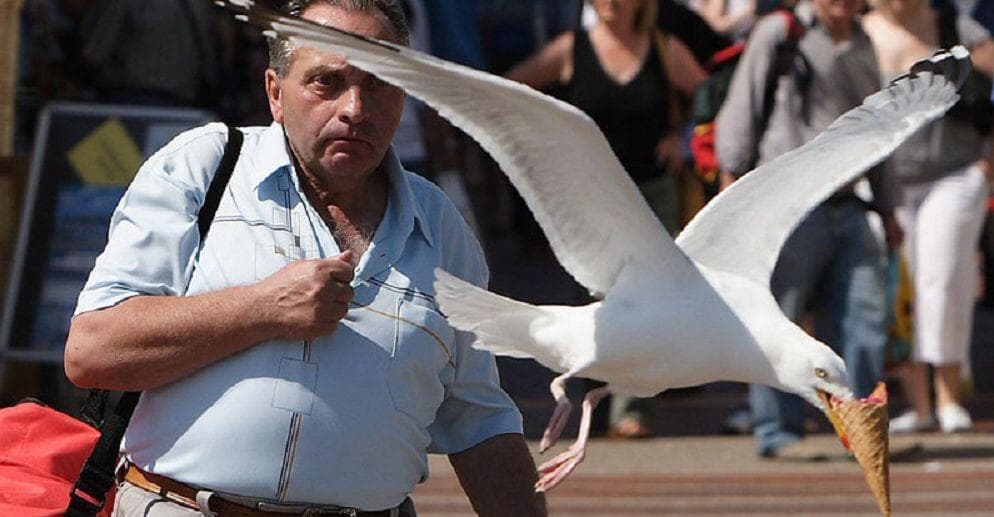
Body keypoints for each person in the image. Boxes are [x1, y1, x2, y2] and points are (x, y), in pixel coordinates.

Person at [63, 1, 547, 515]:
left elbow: (479, 419)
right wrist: (262, 309)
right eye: (326, 83)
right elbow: (93, 351)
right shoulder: (204, 169)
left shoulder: (440, 227)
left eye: (379, 82)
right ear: (275, 92)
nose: (355, 108)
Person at [506, 0, 706, 438]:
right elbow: (509, 91)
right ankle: (596, 397)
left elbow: (711, 94)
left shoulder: (663, 47)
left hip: (653, 193)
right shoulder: (570, 49)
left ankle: (633, 409)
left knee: (651, 298)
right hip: (588, 200)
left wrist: (683, 136)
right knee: (591, 297)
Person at [716, 0, 903, 458]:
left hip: (850, 203)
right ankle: (778, 432)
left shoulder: (864, 42)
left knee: (864, 320)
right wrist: (730, 187)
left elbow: (877, 129)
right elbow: (740, 111)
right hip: (785, 207)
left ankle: (859, 431)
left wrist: (889, 207)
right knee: (777, 320)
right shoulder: (779, 35)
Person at [862, 0, 994, 434]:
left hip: (954, 172)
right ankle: (918, 405)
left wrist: (987, 162)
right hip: (888, 184)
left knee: (940, 281)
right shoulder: (861, 31)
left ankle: (949, 396)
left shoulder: (953, 23)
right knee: (903, 288)